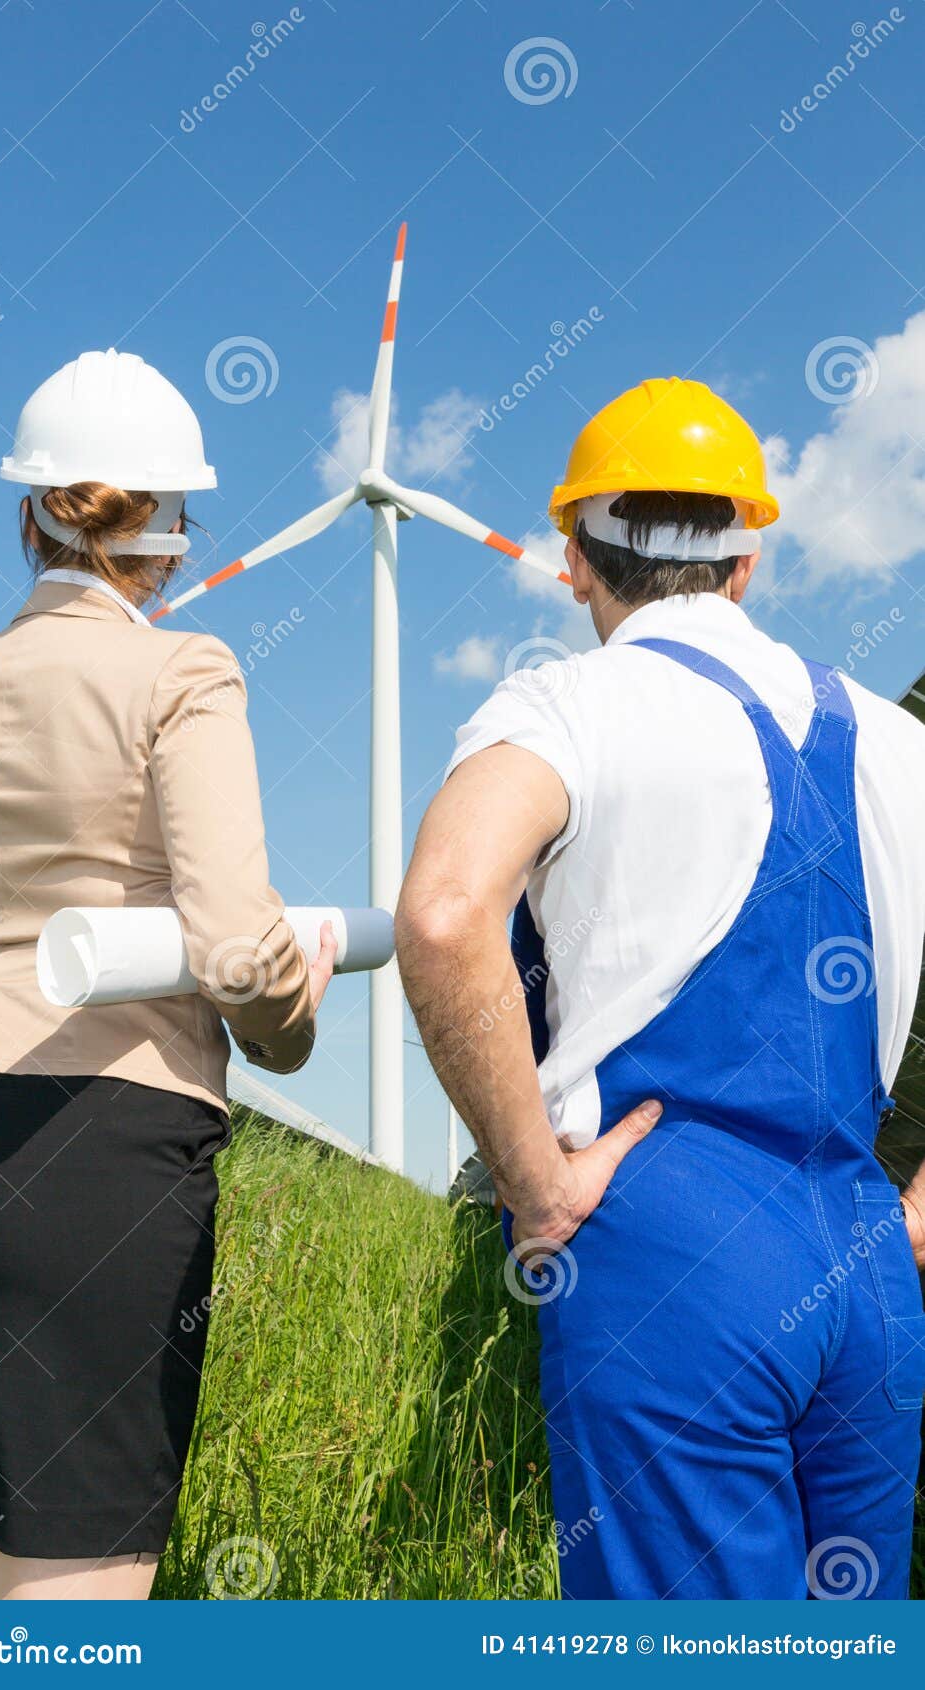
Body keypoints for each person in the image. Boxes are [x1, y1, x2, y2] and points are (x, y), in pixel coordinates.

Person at [397, 376, 925, 1599]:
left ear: (574, 557)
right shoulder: (900, 748)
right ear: (745, 561)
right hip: (865, 1262)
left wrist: (533, 1184)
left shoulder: (564, 705)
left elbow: (441, 910)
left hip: (667, 1245)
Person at [0, 348, 336, 1600]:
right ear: (171, 535)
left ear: (30, 514)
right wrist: (298, 1005)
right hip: (92, 1162)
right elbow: (236, 944)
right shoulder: (185, 672)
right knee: (77, 1631)